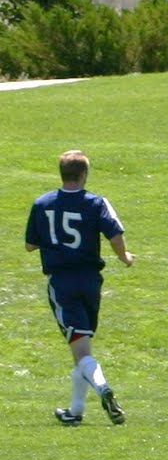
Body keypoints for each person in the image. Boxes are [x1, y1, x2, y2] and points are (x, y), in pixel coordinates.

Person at [24, 150, 134, 426]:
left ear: (62, 173)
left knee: (81, 351)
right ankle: (75, 411)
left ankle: (103, 388)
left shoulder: (42, 203)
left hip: (62, 283)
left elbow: (30, 245)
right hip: (90, 282)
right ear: (84, 174)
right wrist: (125, 257)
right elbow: (115, 234)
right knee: (82, 347)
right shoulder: (96, 202)